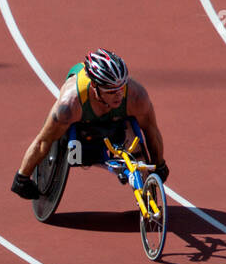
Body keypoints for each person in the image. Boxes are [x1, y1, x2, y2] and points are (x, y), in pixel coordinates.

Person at [11, 48, 168, 199]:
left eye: (122, 87)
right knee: (59, 135)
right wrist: (22, 177)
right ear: (94, 86)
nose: (119, 95)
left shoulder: (136, 96)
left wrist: (159, 164)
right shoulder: (70, 104)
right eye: (111, 91)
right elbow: (43, 141)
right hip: (81, 125)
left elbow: (151, 131)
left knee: (134, 143)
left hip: (116, 123)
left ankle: (146, 197)